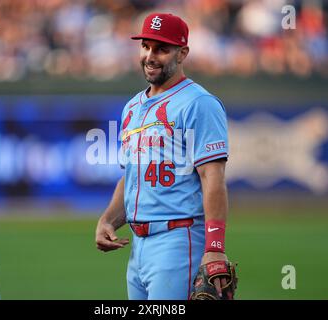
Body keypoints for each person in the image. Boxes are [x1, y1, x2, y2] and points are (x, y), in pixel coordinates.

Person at [96, 13, 235, 300]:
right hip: (138, 247)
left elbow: (212, 177)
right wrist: (108, 219)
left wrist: (214, 247)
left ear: (182, 53)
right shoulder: (133, 106)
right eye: (146, 46)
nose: (150, 55)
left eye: (161, 48)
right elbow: (132, 176)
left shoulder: (199, 103)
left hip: (178, 241)